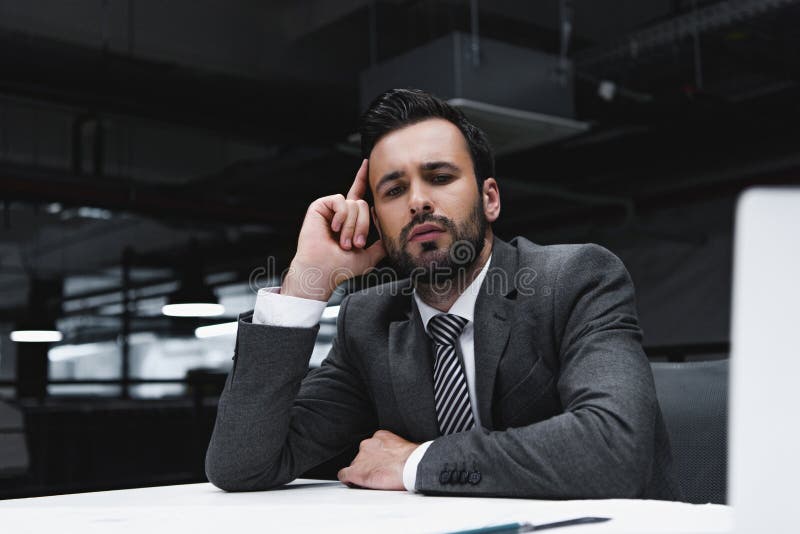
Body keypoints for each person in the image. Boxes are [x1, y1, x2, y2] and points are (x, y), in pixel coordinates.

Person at [204, 88, 680, 499]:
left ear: (489, 198)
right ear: (376, 219)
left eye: (439, 177)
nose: (417, 201)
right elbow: (243, 465)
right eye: (393, 191)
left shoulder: (576, 279)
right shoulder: (368, 323)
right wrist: (306, 282)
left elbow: (617, 449)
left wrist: (416, 463)